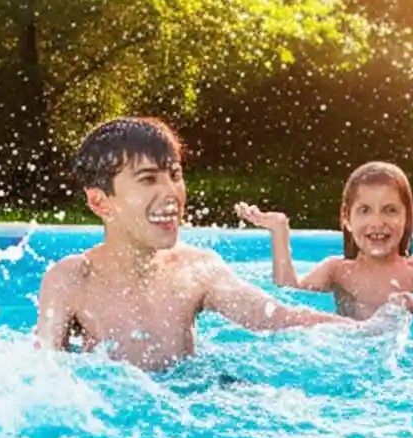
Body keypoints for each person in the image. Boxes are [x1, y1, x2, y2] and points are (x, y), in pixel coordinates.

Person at [34, 117, 377, 371]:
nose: (171, 193)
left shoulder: (197, 269)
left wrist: (366, 331)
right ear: (100, 203)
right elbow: (42, 374)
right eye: (148, 179)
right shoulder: (72, 280)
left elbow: (277, 318)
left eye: (175, 175)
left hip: (196, 398)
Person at [234, 161, 413, 319]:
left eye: (390, 210)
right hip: (350, 347)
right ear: (346, 218)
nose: (377, 222)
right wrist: (279, 230)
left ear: (407, 216)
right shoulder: (338, 271)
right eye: (364, 210)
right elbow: (288, 295)